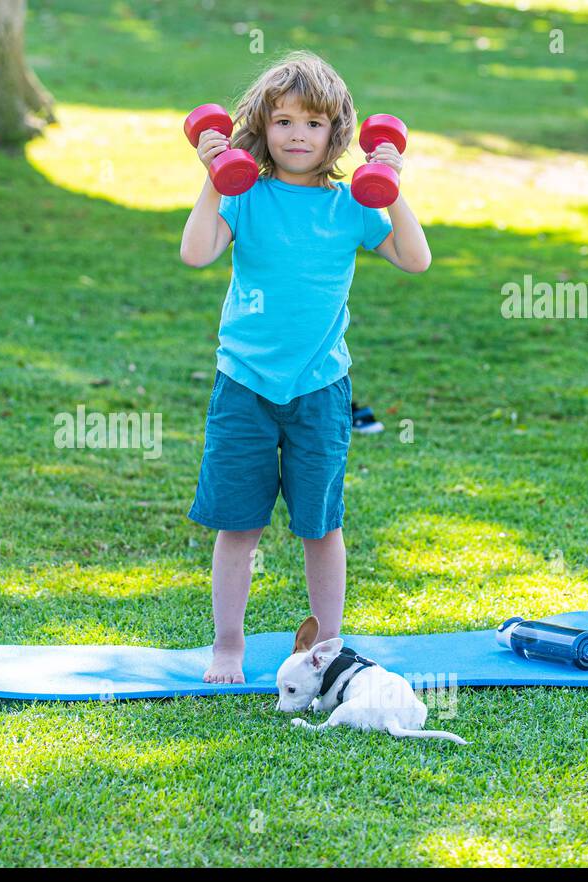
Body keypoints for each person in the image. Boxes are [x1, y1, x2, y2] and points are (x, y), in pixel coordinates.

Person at [179, 50, 431, 683]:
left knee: (322, 527)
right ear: (261, 129)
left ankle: (329, 645)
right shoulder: (247, 198)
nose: (297, 135)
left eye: (313, 124)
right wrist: (215, 175)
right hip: (245, 386)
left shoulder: (351, 205)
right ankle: (228, 645)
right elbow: (195, 253)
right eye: (284, 121)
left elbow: (415, 258)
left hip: (320, 390)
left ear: (336, 133)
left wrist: (392, 186)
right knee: (240, 526)